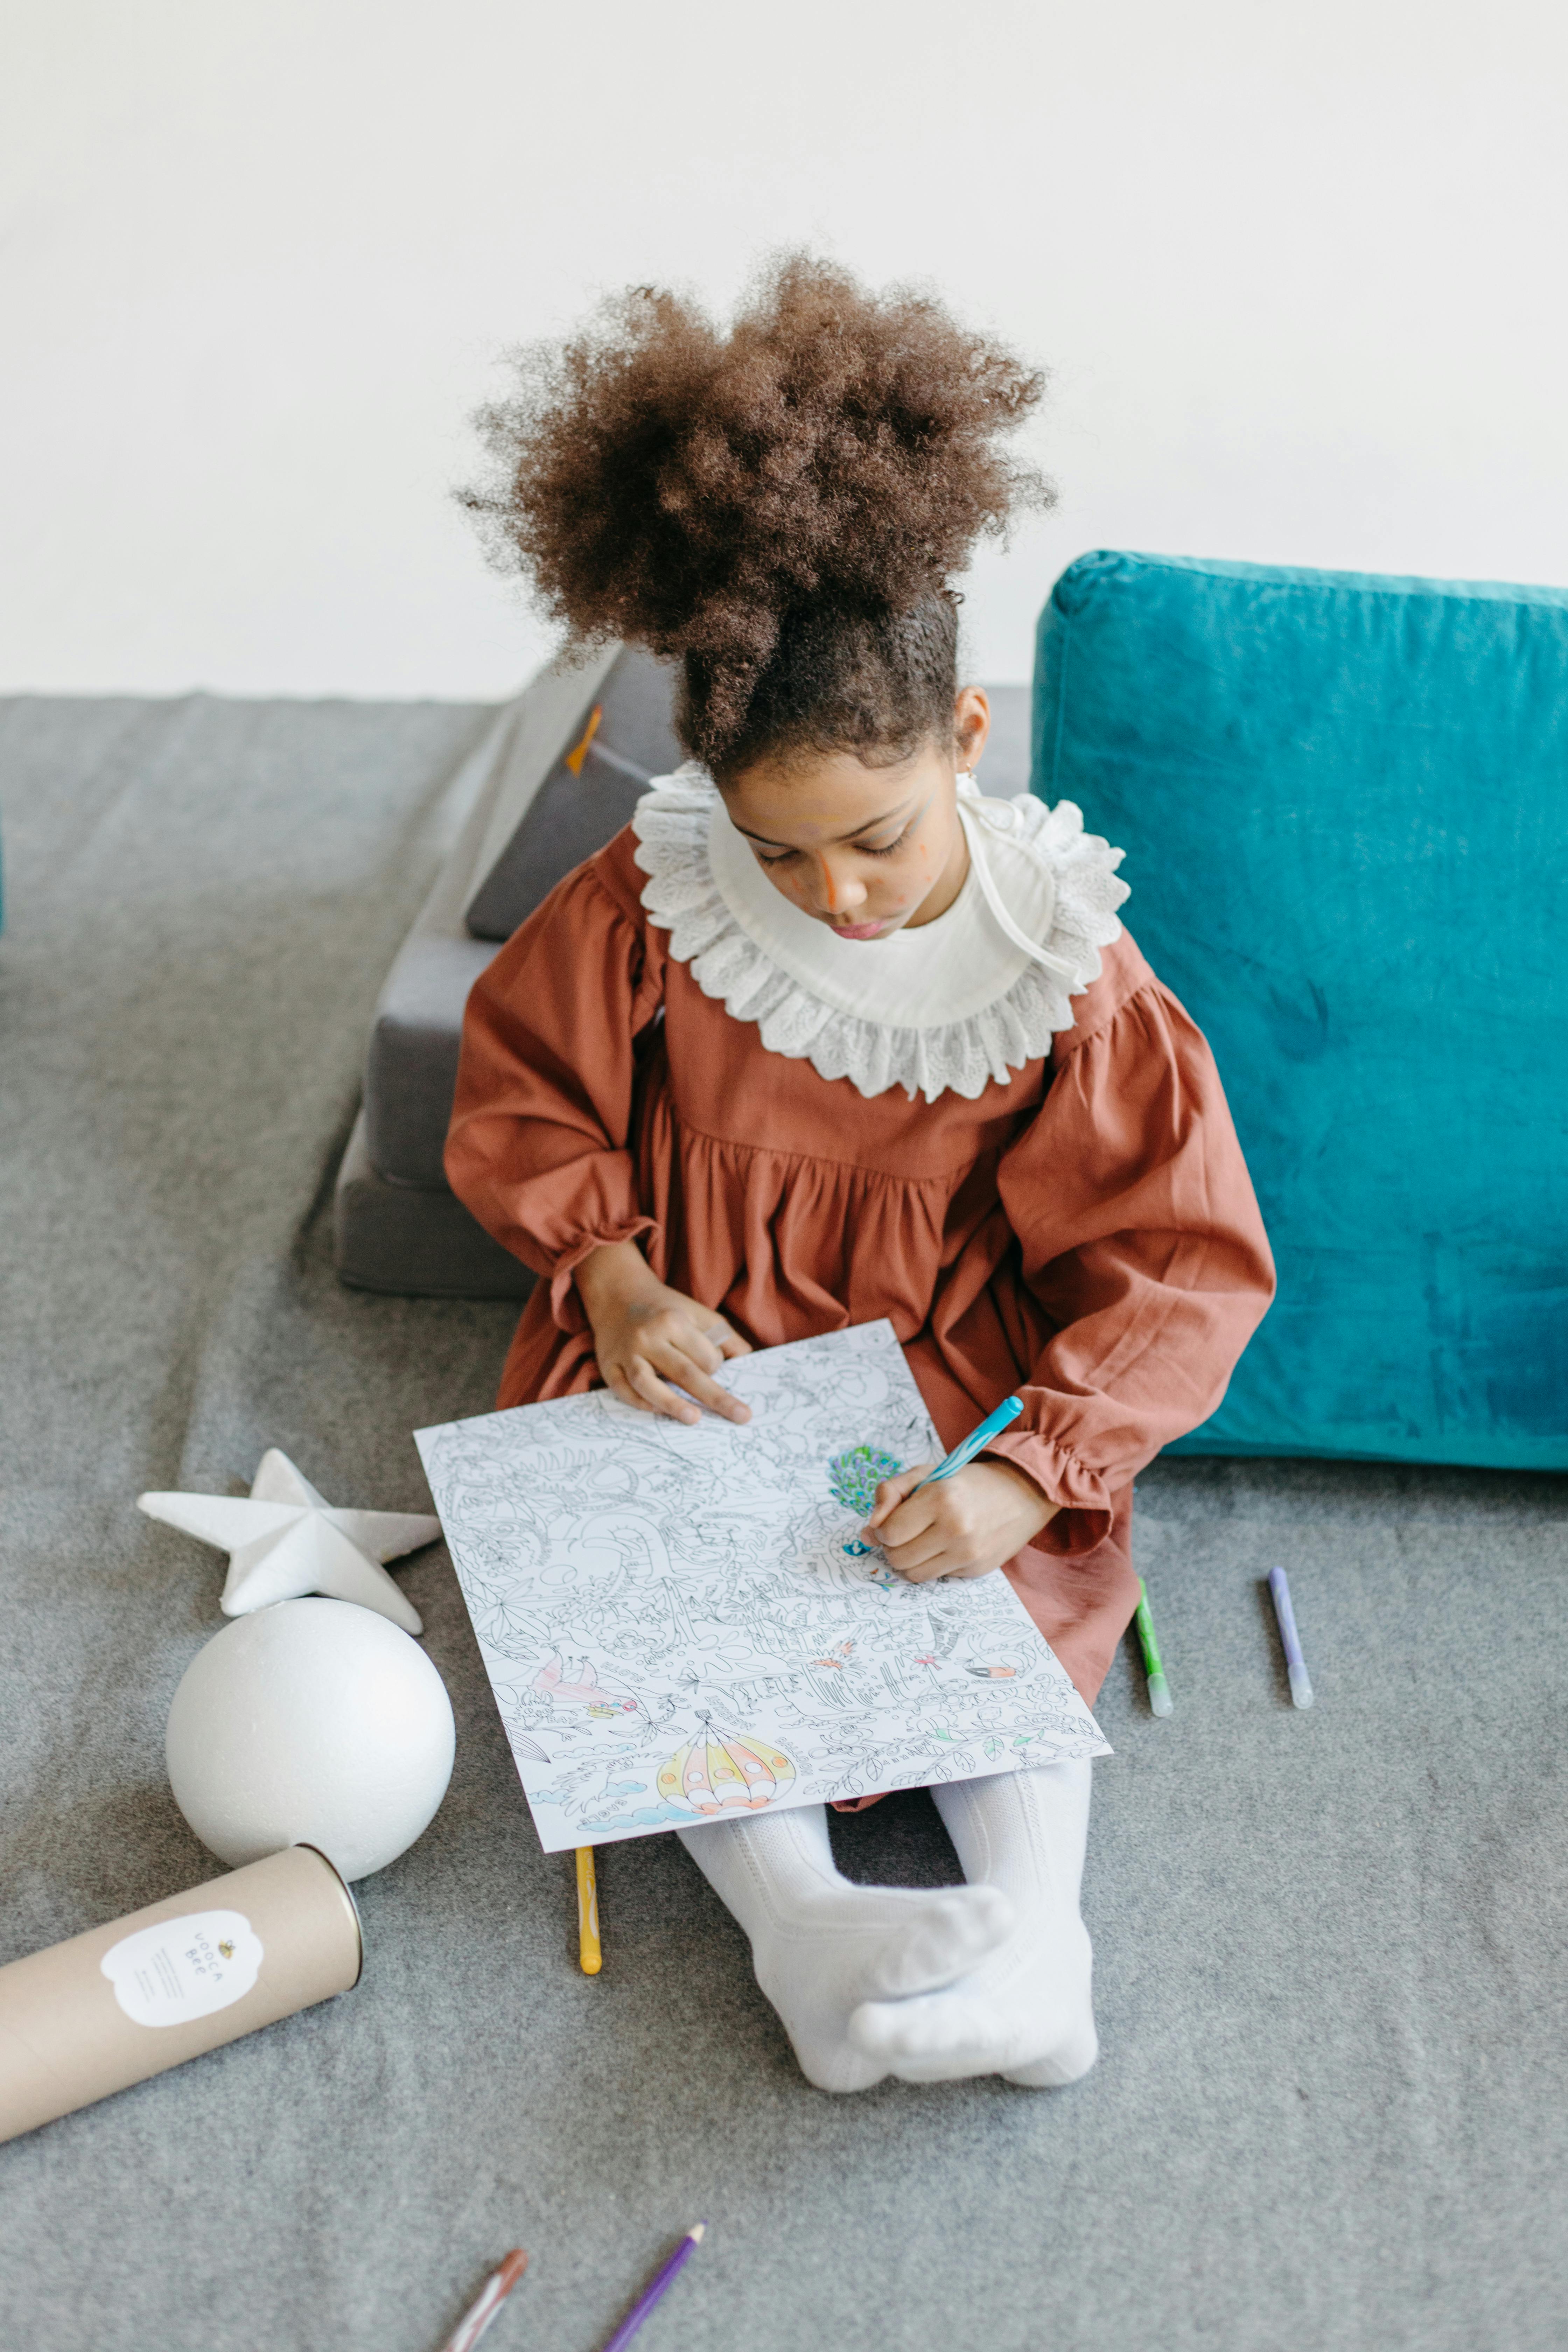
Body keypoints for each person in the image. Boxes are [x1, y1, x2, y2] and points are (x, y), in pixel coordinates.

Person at [447, 256, 1275, 2092]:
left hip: (950, 1377)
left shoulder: (1066, 973)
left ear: (967, 737)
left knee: (1009, 1619)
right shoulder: (656, 905)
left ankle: (1039, 1956)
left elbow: (1178, 1265)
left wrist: (1029, 1473)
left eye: (877, 839)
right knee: (656, 1616)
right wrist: (611, 1273)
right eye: (780, 845)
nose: (832, 895)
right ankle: (807, 1932)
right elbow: (527, 1099)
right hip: (694, 1345)